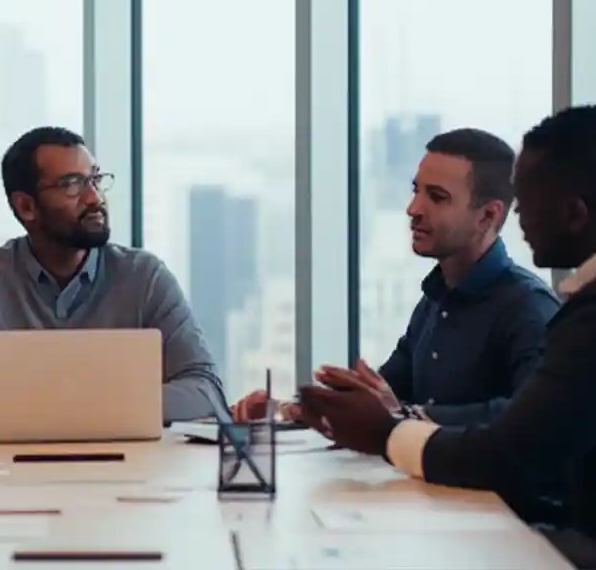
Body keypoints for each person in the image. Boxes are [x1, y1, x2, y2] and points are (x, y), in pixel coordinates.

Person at [299, 107, 596, 568]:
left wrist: (388, 432)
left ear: (574, 213)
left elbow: (515, 452)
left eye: (525, 203)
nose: (519, 219)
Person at [234, 129, 559, 426]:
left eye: (437, 197)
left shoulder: (527, 306)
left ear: (488, 215)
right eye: (416, 190)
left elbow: (535, 416)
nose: (413, 208)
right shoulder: (435, 299)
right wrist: (287, 410)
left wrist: (410, 417)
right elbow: (384, 394)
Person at [0, 127, 223, 423]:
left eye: (95, 179)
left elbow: (206, 391)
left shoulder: (145, 278)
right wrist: (55, 408)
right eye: (72, 185)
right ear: (26, 207)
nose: (94, 198)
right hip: (8, 478)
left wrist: (80, 407)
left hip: (127, 475)